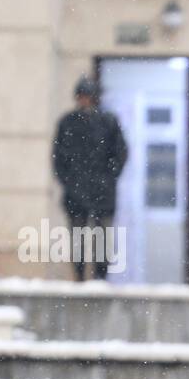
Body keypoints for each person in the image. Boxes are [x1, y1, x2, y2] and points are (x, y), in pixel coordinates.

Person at [52, 75, 128, 281]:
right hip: (76, 192)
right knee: (78, 239)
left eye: (88, 96)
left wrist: (108, 177)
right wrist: (70, 181)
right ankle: (80, 277)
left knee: (102, 238)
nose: (84, 100)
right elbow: (58, 158)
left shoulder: (108, 122)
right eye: (81, 96)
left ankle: (100, 278)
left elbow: (120, 153)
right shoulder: (67, 123)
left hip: (102, 191)